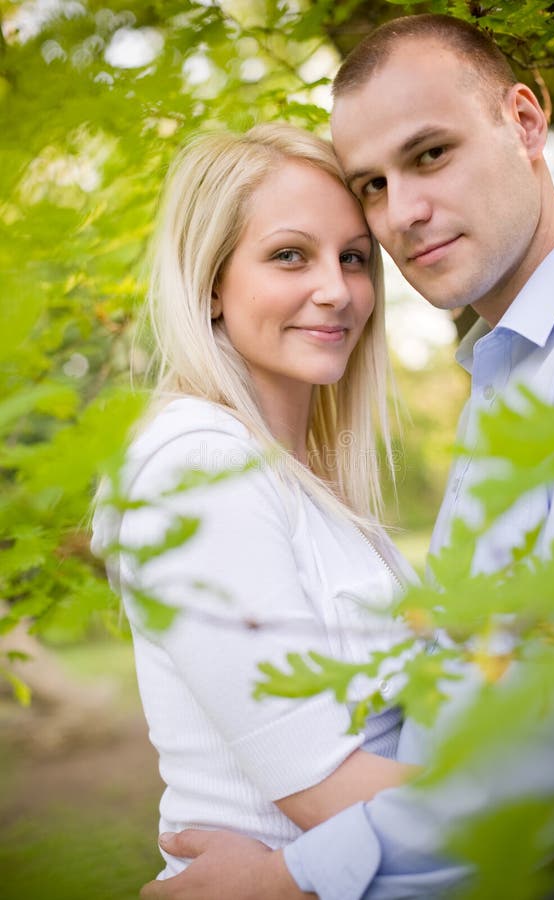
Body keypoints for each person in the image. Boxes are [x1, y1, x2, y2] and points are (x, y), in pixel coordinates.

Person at [140, 13, 554, 900]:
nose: (404, 216)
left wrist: (287, 878)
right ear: (209, 288)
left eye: (430, 154)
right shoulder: (504, 379)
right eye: (374, 186)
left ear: (527, 121)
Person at [92, 122, 425, 883]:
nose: (336, 290)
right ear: (211, 281)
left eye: (353, 257)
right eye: (289, 255)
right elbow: (326, 791)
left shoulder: (304, 478)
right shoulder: (199, 464)